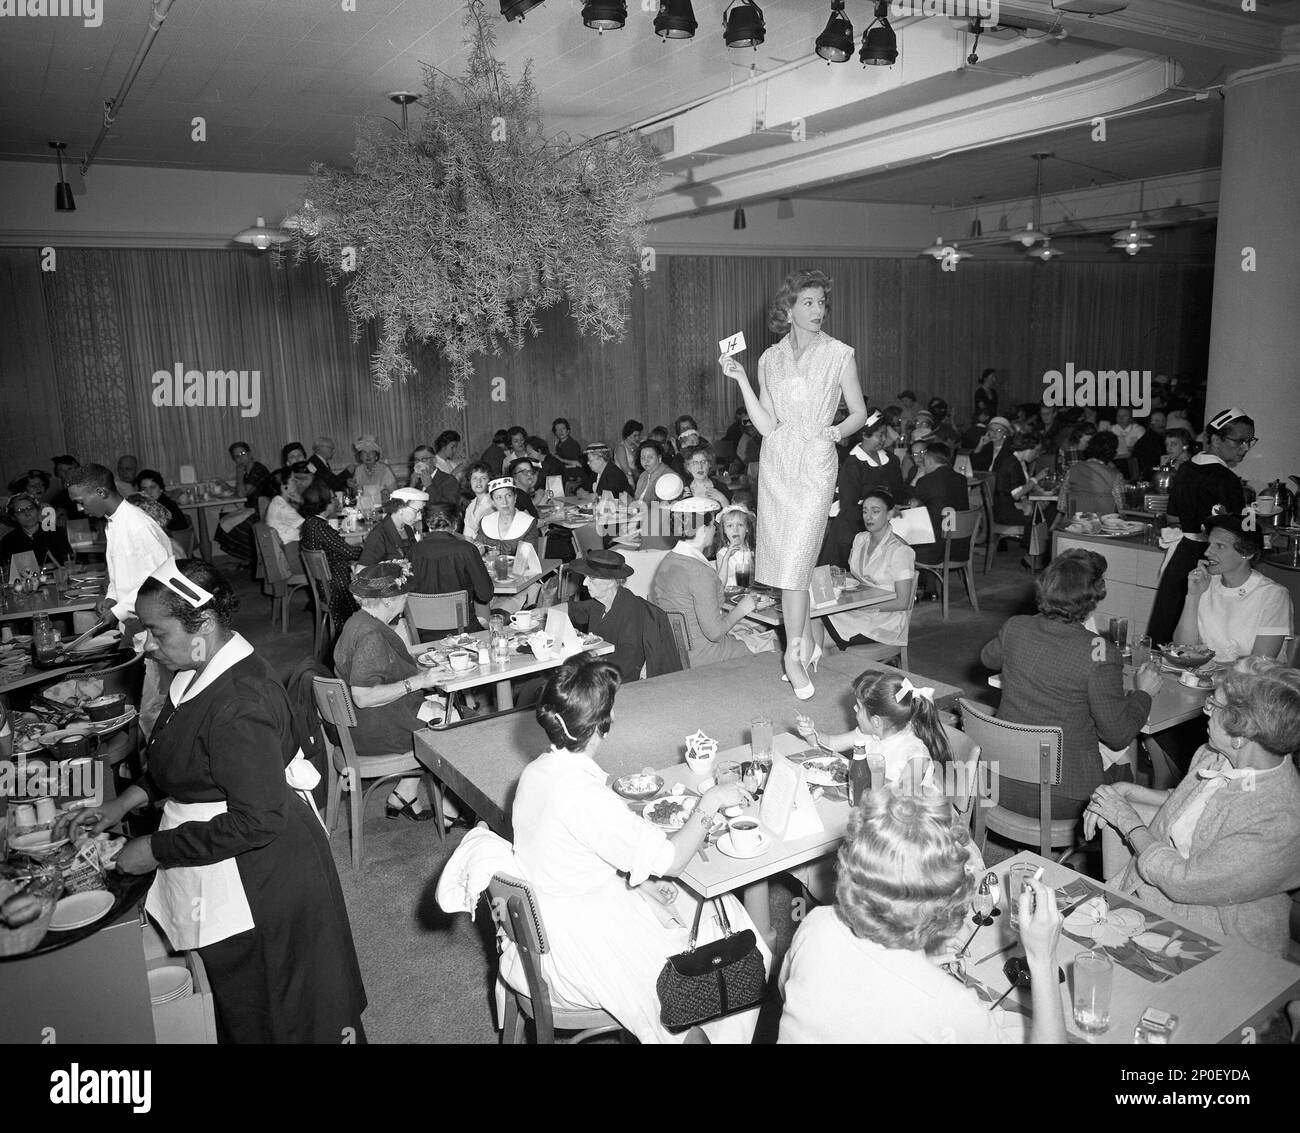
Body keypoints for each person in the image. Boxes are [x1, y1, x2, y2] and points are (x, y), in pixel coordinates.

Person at [59, 559, 367, 1042]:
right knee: (237, 999)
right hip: (218, 848)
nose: (147, 644)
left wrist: (155, 849)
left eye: (156, 632)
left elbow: (259, 819)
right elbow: (184, 763)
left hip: (262, 875)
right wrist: (123, 804)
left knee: (278, 1006)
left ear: (201, 623)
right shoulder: (197, 670)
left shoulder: (241, 702)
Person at [508, 656, 768, 1044]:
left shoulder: (535, 774)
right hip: (580, 944)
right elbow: (673, 862)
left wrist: (637, 882)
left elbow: (567, 852)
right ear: (600, 728)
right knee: (720, 930)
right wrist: (710, 800)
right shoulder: (584, 796)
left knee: (704, 907)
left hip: (551, 920)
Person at [778, 791, 1065, 1044]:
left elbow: (787, 988)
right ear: (950, 906)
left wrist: (917, 968)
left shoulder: (816, 924)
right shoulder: (949, 1004)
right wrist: (1043, 959)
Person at [1085, 657, 1300, 958]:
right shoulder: (1216, 756)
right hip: (1148, 891)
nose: (1205, 711)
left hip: (1214, 935)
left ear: (1241, 735)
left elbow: (1182, 882)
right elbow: (1197, 806)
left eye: (1214, 704)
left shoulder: (1278, 819)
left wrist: (1127, 820)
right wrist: (1129, 791)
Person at [721, 269, 868, 697]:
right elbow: (766, 425)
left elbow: (858, 411)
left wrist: (836, 433)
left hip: (816, 461)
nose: (818, 310)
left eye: (822, 302)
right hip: (777, 462)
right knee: (787, 564)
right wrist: (742, 381)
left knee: (797, 562)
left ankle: (792, 651)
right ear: (788, 308)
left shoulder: (840, 354)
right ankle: (807, 648)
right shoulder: (769, 359)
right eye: (808, 302)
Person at [980, 549, 1163, 819]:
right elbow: (1117, 734)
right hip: (1065, 796)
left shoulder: (1016, 627)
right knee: (1126, 758)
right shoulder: (1100, 652)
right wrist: (1144, 693)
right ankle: (1120, 843)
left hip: (997, 779)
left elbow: (987, 658)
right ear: (1094, 597)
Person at [333, 561, 452, 821]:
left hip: (362, 723)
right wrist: (417, 682)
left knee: (444, 707)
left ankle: (404, 795)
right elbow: (363, 697)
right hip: (373, 728)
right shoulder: (370, 636)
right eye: (404, 596)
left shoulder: (358, 621)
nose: (406, 600)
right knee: (456, 721)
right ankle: (452, 810)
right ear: (388, 601)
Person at [1147, 408, 1255, 645]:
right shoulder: (1225, 479)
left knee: (1166, 625)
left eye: (1249, 441)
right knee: (1196, 635)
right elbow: (1238, 532)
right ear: (1215, 439)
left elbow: (1173, 516)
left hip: (1182, 554)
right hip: (1209, 562)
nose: (1245, 448)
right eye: (1239, 441)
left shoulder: (1187, 467)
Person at [649, 503, 763, 668]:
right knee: (776, 641)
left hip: (679, 653)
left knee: (752, 631)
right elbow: (715, 633)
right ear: (703, 529)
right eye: (711, 526)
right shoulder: (699, 571)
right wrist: (742, 609)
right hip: (707, 656)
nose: (715, 530)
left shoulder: (668, 562)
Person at [797, 668, 947, 791]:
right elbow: (830, 742)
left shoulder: (916, 753)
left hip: (914, 819)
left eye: (859, 708)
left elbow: (904, 797)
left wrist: (865, 780)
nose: (854, 710)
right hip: (877, 805)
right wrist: (811, 734)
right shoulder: (869, 734)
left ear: (876, 721)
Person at [66, 463, 173, 632]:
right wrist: (112, 597)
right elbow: (121, 574)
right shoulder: (114, 522)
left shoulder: (138, 525)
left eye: (80, 502)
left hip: (153, 620)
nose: (79, 508)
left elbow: (158, 583)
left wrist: (118, 612)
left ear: (101, 492)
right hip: (134, 616)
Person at [1173, 516, 1292, 661]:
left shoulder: (1273, 595)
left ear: (1247, 553)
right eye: (1209, 544)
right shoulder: (1205, 584)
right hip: (1203, 678)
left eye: (1220, 546)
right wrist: (1193, 596)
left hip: (1252, 682)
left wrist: (1211, 672)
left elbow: (1259, 664)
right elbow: (1183, 651)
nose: (1207, 552)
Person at [817, 489, 915, 655]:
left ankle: (825, 674)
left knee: (813, 638)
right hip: (857, 610)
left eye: (875, 511)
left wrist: (862, 606)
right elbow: (856, 577)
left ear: (890, 514)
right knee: (810, 618)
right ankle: (825, 673)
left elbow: (903, 602)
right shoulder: (860, 539)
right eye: (865, 511)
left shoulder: (900, 551)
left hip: (884, 621)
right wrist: (837, 575)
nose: (868, 516)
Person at [567, 549, 681, 682]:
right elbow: (573, 609)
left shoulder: (630, 611)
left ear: (610, 581)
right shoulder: (600, 603)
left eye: (591, 578)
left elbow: (626, 665)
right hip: (600, 672)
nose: (584, 583)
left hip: (619, 682)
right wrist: (543, 612)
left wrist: (583, 664)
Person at [820, 410, 903, 570]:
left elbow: (899, 490)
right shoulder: (853, 465)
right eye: (879, 435)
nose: (884, 439)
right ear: (865, 435)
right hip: (854, 528)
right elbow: (849, 507)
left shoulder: (891, 460)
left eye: (885, 434)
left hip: (884, 526)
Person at [409, 502, 494, 633]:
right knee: (500, 614)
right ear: (455, 523)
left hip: (422, 632)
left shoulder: (413, 550)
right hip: (463, 633)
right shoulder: (466, 549)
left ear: (427, 523)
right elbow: (485, 595)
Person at [298, 479, 362, 630]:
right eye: (333, 498)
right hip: (336, 585)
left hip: (326, 582)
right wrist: (366, 548)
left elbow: (339, 548)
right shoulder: (320, 527)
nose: (336, 501)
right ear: (325, 503)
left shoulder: (310, 522)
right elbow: (349, 552)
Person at [908, 442, 971, 570]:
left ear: (930, 461)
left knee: (902, 538)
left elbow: (909, 503)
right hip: (959, 548)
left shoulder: (926, 481)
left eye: (924, 460)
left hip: (935, 552)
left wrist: (917, 478)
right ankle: (928, 587)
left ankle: (918, 584)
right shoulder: (961, 480)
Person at [1059, 431, 1125, 517]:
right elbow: (1122, 509)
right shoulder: (1116, 476)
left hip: (1074, 525)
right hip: (1103, 526)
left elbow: (1061, 505)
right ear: (1112, 453)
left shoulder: (1072, 470)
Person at [358, 486, 425, 567]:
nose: (419, 516)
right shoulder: (379, 534)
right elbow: (361, 570)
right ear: (401, 508)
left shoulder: (408, 528)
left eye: (421, 511)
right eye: (416, 511)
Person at [0, 492, 71, 565]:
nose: (27, 514)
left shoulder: (55, 533)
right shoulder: (8, 541)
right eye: (20, 511)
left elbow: (69, 560)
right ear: (13, 517)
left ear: (38, 510)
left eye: (30, 508)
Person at [477, 476, 540, 556]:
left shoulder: (528, 523)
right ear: (492, 501)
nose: (504, 502)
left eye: (508, 496)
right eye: (499, 497)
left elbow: (528, 558)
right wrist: (480, 551)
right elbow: (479, 550)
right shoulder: (485, 522)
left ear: (515, 498)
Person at [264, 468, 306, 574]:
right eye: (293, 479)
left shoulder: (277, 502)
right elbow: (310, 528)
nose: (296, 481)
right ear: (284, 487)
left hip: (287, 554)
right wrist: (303, 502)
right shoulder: (283, 508)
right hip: (292, 558)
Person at [135, 470, 191, 535]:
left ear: (161, 489)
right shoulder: (161, 501)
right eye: (144, 489)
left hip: (174, 540)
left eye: (152, 487)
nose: (148, 492)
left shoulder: (161, 506)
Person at [713, 503, 755, 588]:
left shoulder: (752, 551)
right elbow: (720, 584)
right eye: (729, 526)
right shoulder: (722, 554)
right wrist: (727, 557)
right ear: (724, 530)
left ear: (747, 528)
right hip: (729, 596)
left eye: (740, 525)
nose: (735, 529)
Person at [349, 435, 397, 508]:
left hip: (384, 507)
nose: (368, 455)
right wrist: (353, 487)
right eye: (364, 452)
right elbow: (356, 494)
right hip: (364, 508)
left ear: (376, 456)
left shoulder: (384, 469)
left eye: (371, 452)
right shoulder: (359, 470)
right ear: (360, 457)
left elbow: (395, 494)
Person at [461, 462, 495, 541]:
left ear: (489, 481)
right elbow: (467, 536)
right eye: (475, 478)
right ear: (469, 481)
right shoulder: (470, 506)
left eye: (483, 478)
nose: (478, 482)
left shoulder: (494, 503)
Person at [632, 439, 674, 504]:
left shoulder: (669, 477)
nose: (646, 461)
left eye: (650, 457)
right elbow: (638, 500)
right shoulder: (643, 475)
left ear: (659, 458)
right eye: (643, 458)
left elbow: (663, 507)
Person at [552, 417, 587, 491]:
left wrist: (560, 459)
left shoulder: (572, 444)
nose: (560, 431)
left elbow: (578, 463)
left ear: (568, 431)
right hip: (565, 475)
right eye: (558, 430)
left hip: (574, 478)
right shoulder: (559, 444)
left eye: (563, 429)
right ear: (555, 433)